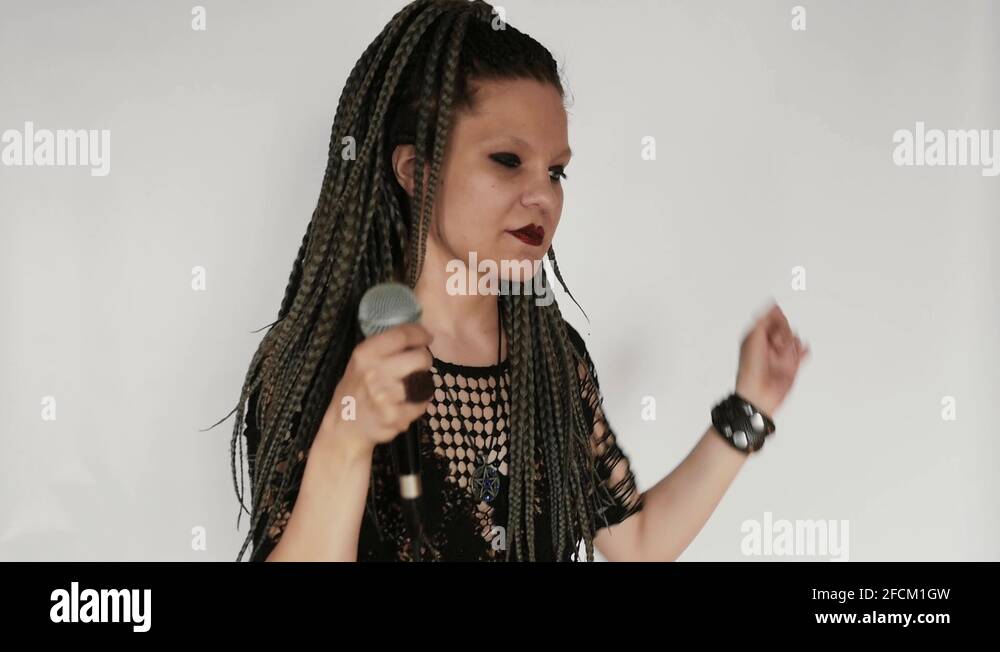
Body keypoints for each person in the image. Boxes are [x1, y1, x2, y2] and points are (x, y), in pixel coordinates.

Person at [229, 0, 809, 562]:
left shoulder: (551, 358)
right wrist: (346, 439)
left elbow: (637, 543)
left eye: (556, 171)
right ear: (415, 169)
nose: (544, 197)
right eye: (508, 160)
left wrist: (750, 406)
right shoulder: (316, 365)